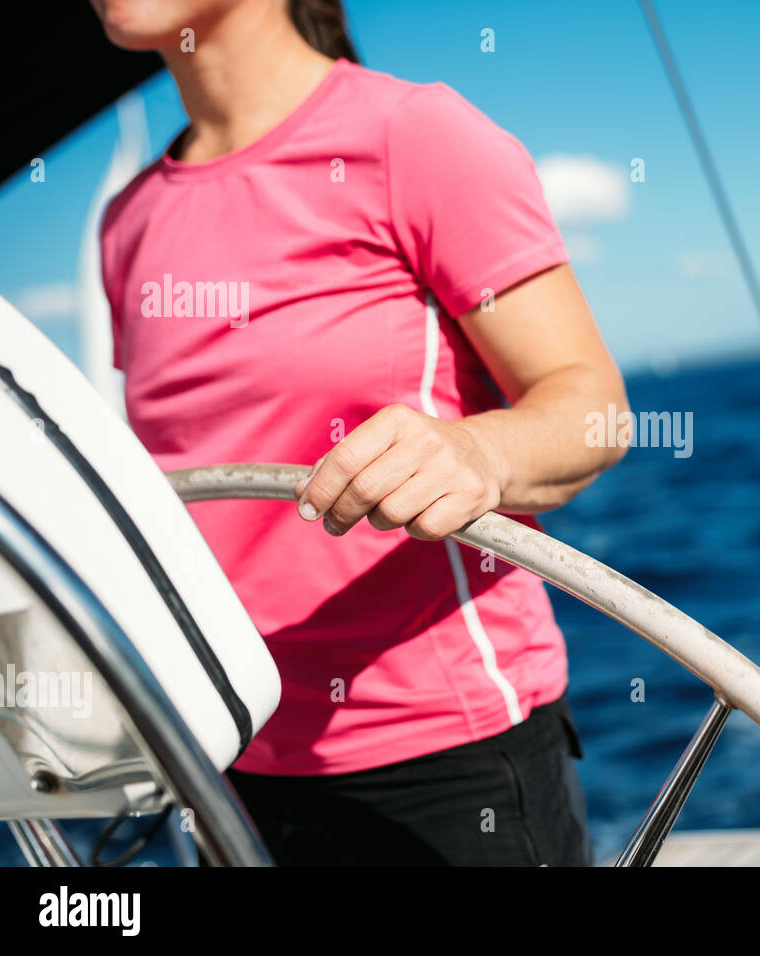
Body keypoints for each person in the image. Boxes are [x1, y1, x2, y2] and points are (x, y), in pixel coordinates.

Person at [91, 0, 629, 865]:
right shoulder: (127, 223)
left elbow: (589, 406)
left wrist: (476, 453)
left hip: (445, 762)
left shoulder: (412, 135)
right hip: (231, 757)